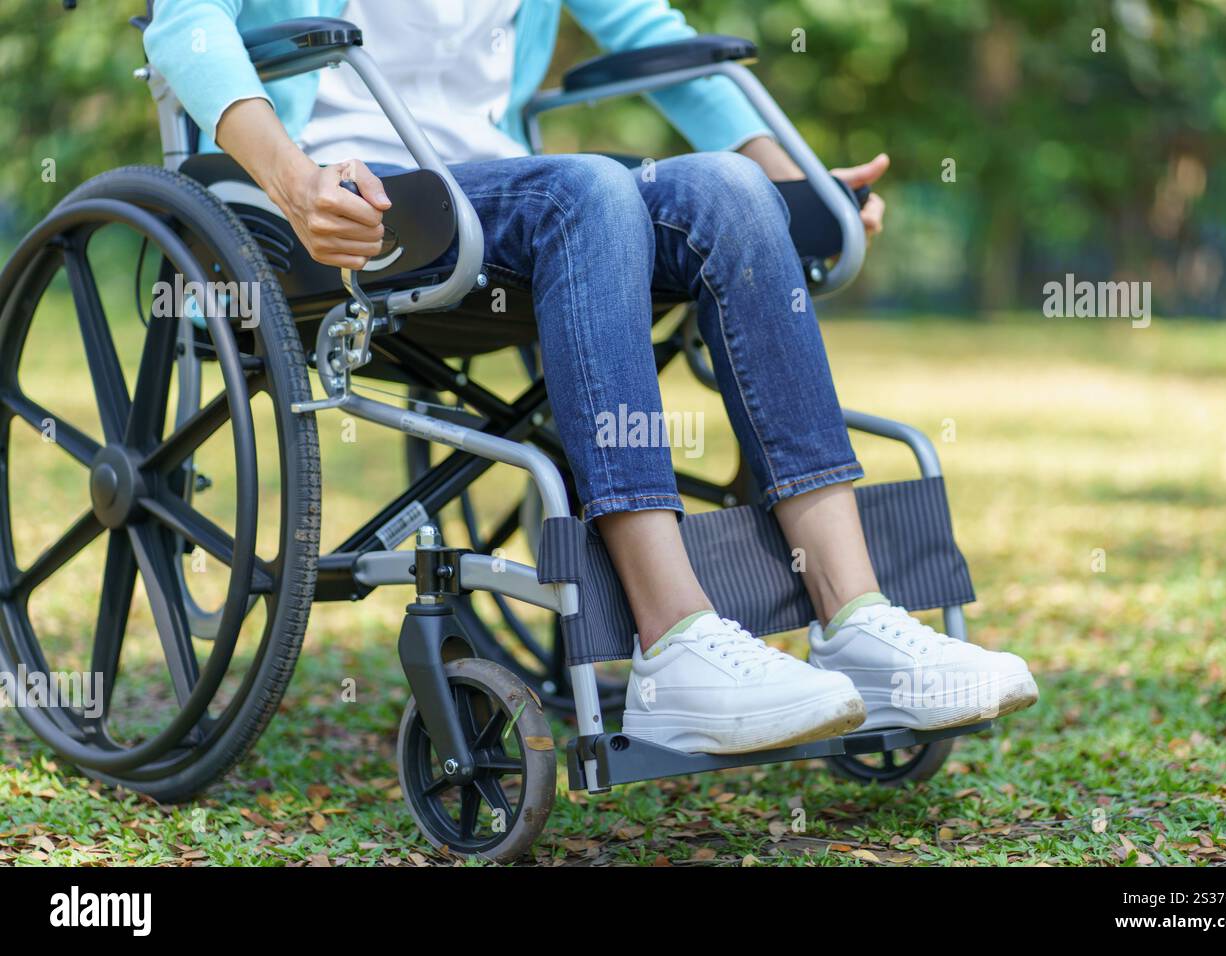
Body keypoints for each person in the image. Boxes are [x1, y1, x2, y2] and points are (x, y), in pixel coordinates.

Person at [145, 0, 1038, 756]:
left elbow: (648, 30)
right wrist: (295, 183)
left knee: (730, 191)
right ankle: (674, 641)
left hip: (494, 191)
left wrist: (797, 182)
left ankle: (858, 623)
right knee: (589, 192)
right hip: (336, 196)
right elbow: (186, 23)